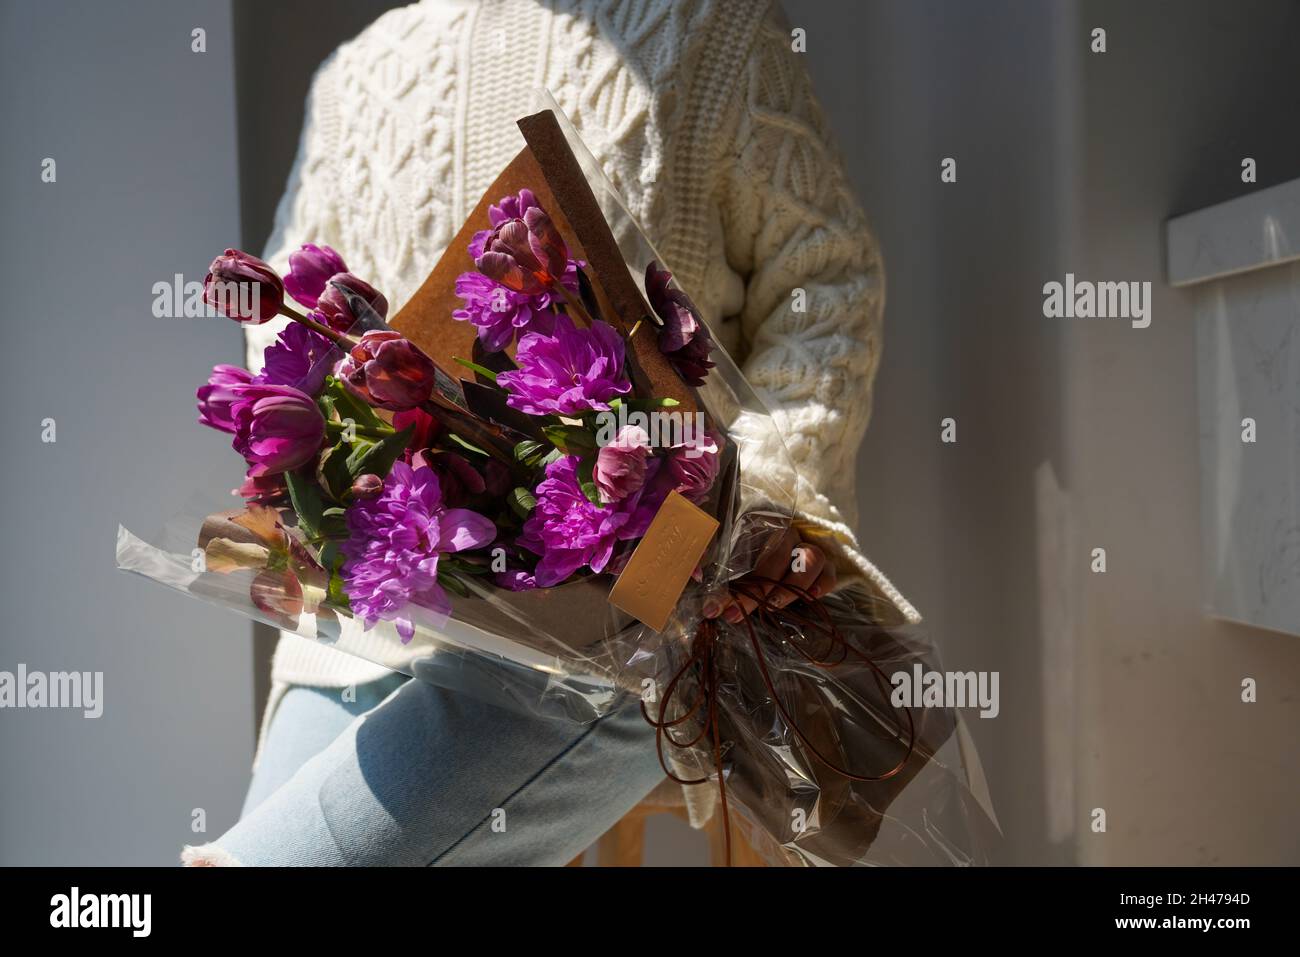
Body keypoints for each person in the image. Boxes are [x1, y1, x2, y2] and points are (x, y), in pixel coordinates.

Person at [183, 0, 917, 867]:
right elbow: (284, 332)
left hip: (636, 593)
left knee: (635, 656)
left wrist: (761, 497)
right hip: (382, 611)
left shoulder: (713, 30)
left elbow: (825, 285)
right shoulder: (358, 74)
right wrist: (353, 474)